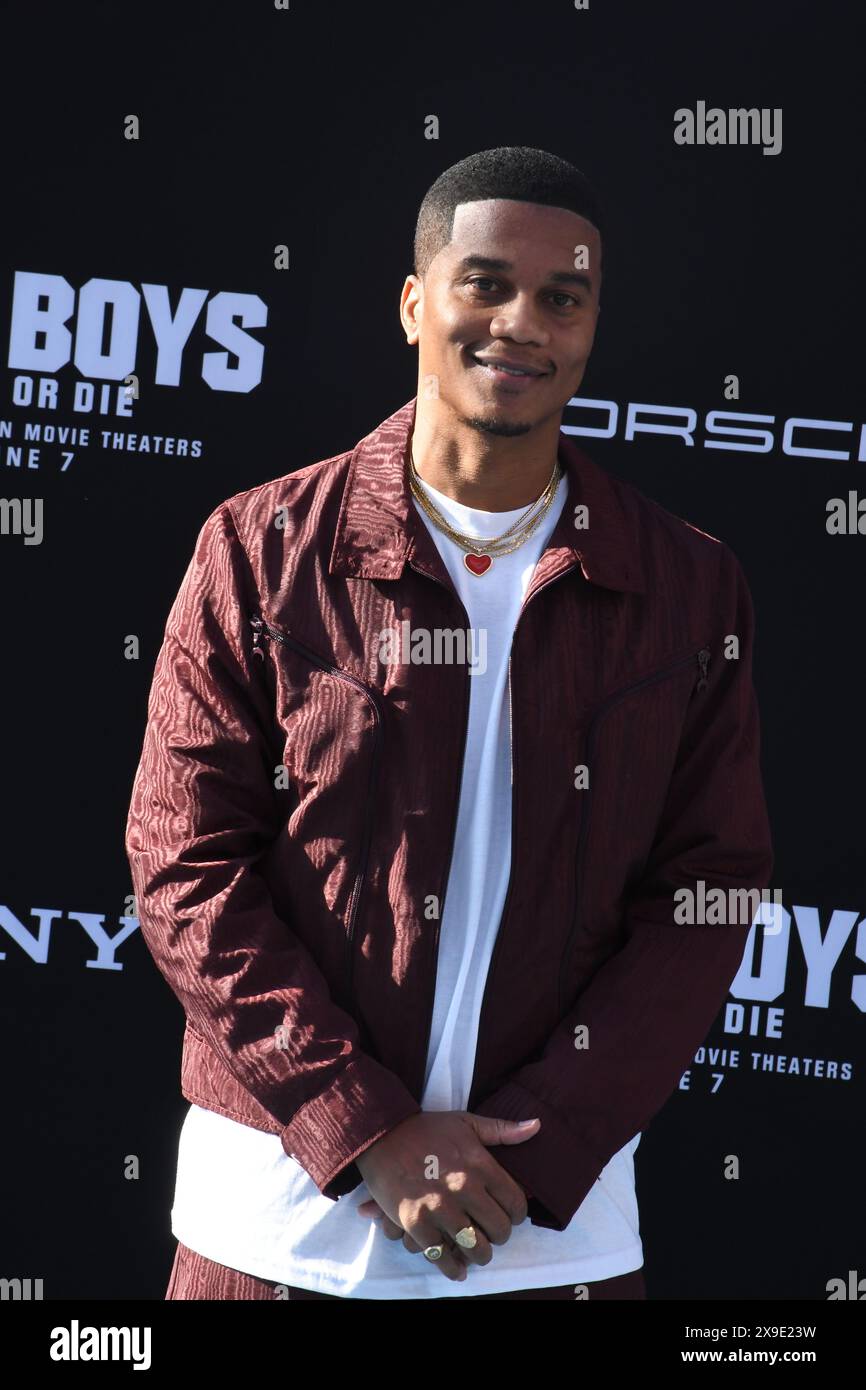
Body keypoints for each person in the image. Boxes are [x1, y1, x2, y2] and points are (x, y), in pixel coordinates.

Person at [125, 145, 774, 1301]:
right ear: (415, 301)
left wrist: (541, 1139)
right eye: (484, 283)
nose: (520, 323)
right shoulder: (261, 548)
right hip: (274, 1231)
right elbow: (182, 862)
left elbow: (705, 889)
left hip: (549, 1242)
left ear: (588, 327)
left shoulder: (684, 585)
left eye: (561, 296)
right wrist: (363, 1127)